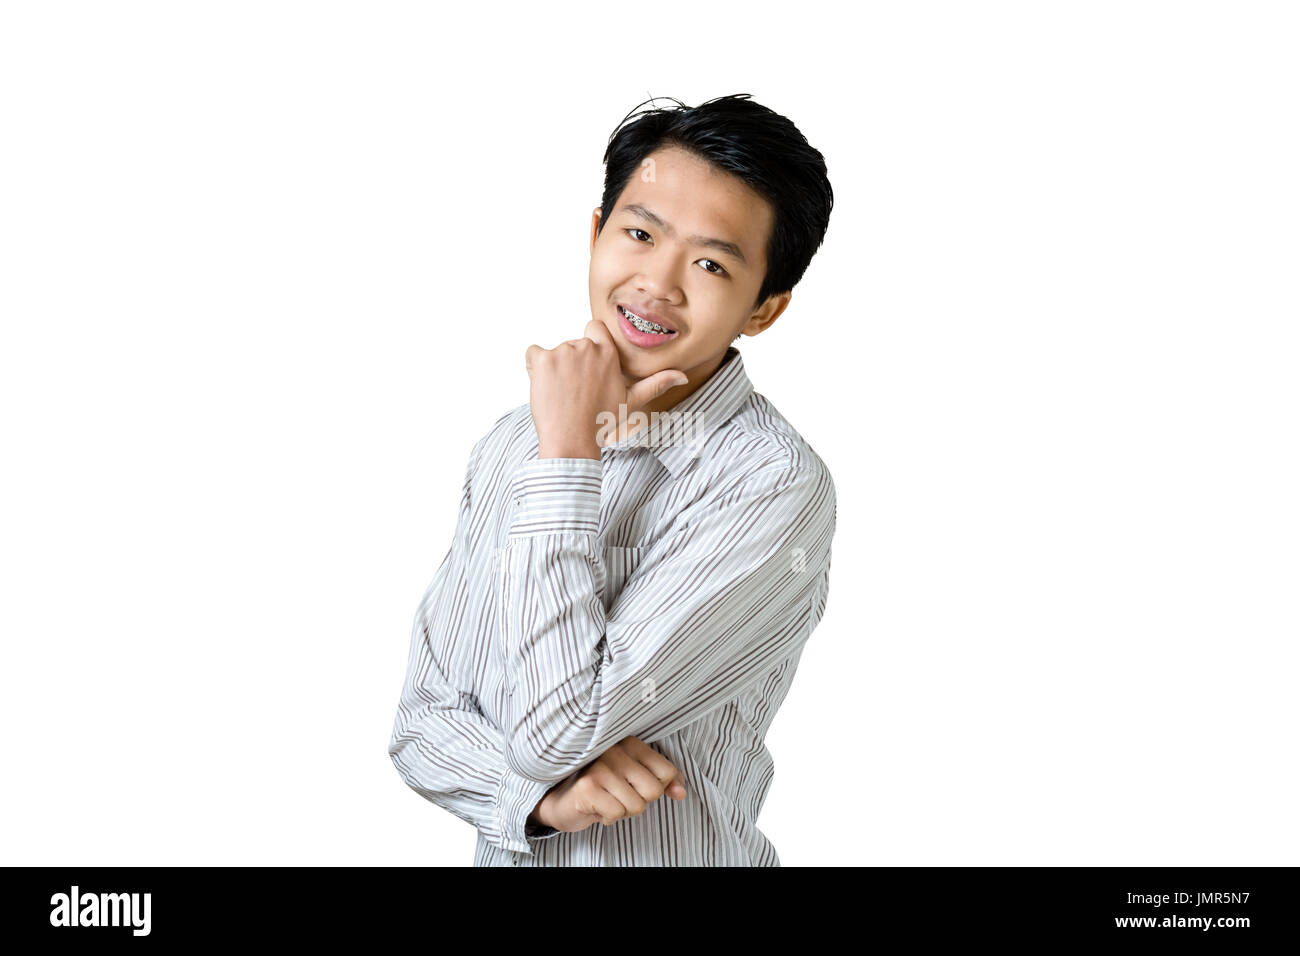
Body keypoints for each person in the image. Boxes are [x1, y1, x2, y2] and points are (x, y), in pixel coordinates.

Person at [388, 93, 836, 866]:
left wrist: (568, 458)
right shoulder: (512, 442)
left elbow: (557, 729)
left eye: (709, 263)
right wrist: (543, 800)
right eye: (638, 234)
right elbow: (421, 725)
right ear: (595, 236)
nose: (657, 283)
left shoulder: (771, 484)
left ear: (765, 308)